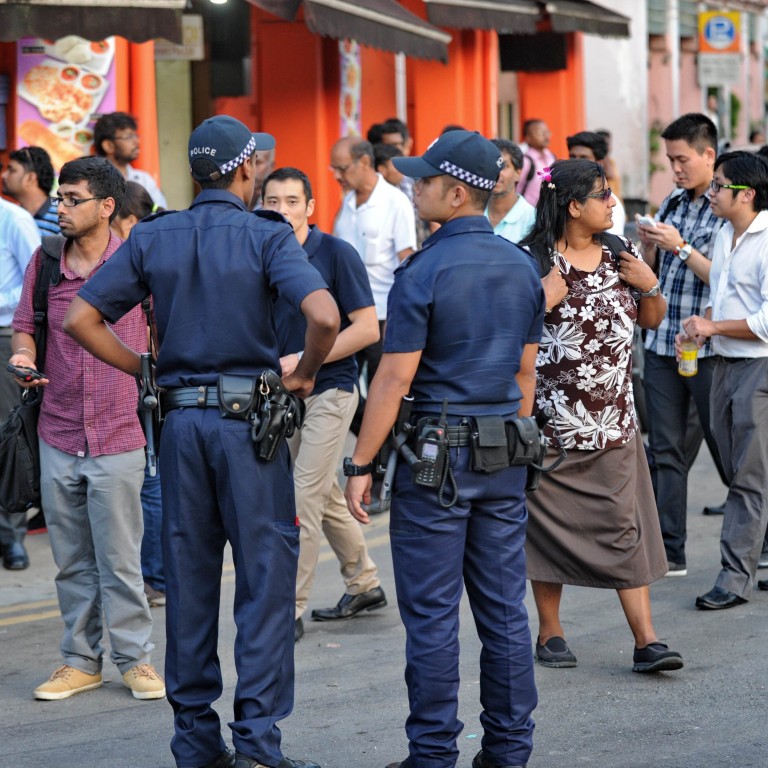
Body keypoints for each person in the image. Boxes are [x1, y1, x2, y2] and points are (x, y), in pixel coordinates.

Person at [63, 115, 338, 768]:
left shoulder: (156, 235)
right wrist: (302, 374)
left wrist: (144, 370)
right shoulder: (265, 236)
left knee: (188, 584)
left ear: (195, 171)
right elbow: (324, 315)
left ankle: (194, 744)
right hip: (249, 428)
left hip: (180, 424)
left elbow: (80, 318)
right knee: (265, 584)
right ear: (248, 169)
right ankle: (257, 746)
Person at [344, 130, 542, 768]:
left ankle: (432, 756)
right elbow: (524, 375)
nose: (414, 186)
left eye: (424, 180)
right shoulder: (520, 264)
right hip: (503, 448)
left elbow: (394, 379)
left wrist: (362, 464)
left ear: (457, 193)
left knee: (431, 616)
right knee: (505, 609)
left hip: (437, 457)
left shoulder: (424, 269)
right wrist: (507, 434)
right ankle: (510, 751)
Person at [9, 156, 165, 701]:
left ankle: (135, 659)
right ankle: (80, 660)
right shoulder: (47, 261)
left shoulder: (139, 262)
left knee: (121, 559)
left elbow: (161, 335)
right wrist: (24, 356)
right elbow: (26, 325)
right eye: (58, 198)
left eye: (72, 199)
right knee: (72, 560)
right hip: (56, 430)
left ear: (106, 207)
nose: (61, 209)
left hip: (120, 432)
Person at [519, 159, 683, 675]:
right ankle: (550, 633)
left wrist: (650, 283)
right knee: (545, 531)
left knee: (623, 528)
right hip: (551, 427)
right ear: (573, 206)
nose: (613, 202)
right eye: (603, 195)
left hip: (612, 422)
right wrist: (539, 301)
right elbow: (508, 336)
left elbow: (650, 322)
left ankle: (647, 640)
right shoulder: (533, 260)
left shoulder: (620, 254)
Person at [262, 167, 385, 641]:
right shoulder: (263, 253)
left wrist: (306, 359)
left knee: (302, 496)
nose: (281, 211)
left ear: (310, 207)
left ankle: (289, 608)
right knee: (323, 493)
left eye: (292, 201)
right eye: (272, 202)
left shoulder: (336, 253)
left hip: (332, 390)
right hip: (281, 395)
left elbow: (367, 329)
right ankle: (364, 580)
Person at [635, 113, 729, 577]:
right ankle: (670, 551)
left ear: (708, 155)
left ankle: (759, 538)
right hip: (660, 343)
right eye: (669, 160)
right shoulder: (672, 202)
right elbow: (657, 272)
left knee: (728, 446)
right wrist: (649, 248)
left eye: (682, 159)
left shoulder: (725, 206)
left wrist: (678, 246)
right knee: (666, 448)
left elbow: (722, 277)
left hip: (710, 349)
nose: (675, 169)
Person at [678, 151, 768, 610]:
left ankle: (734, 579)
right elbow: (722, 299)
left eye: (719, 186)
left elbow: (767, 321)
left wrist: (714, 327)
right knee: (737, 470)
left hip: (758, 365)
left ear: (746, 194)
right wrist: (700, 325)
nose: (710, 193)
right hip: (721, 363)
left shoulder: (767, 239)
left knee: (748, 479)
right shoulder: (722, 233)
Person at [110, 180, 166, 607]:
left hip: (146, 387)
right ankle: (157, 576)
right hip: (151, 383)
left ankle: (157, 577)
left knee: (152, 482)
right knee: (152, 480)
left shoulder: (139, 263)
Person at [331, 136, 415, 400]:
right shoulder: (346, 204)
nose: (336, 176)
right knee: (340, 388)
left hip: (382, 318)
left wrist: (399, 315)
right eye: (333, 169)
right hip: (346, 316)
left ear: (365, 161)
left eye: (342, 168)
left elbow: (407, 262)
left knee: (384, 392)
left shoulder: (394, 201)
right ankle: (371, 437)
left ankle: (384, 441)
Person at [0, 193, 41, 570]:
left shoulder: (13, 218)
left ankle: (12, 538)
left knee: (8, 434)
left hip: (6, 337)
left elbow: (33, 285)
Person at [93, 112, 168, 208]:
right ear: (108, 145)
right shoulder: (91, 180)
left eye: (136, 136)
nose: (136, 142)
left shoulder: (144, 179)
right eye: (128, 136)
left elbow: (160, 213)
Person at [566, 131, 625, 235]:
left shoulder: (609, 205)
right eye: (572, 157)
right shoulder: (561, 194)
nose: (576, 163)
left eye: (584, 158)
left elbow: (612, 247)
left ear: (599, 163)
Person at [485, 138, 536, 243]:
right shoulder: (474, 213)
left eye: (503, 166)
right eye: (491, 165)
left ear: (518, 173)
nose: (497, 172)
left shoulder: (532, 219)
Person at [2, 146, 60, 235]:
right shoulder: (11, 215)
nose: (4, 175)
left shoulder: (62, 214)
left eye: (12, 170)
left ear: (30, 178)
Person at [517, 119, 556, 206]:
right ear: (528, 138)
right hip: (529, 214)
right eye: (540, 133)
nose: (546, 136)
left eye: (547, 132)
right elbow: (516, 189)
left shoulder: (552, 157)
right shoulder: (526, 161)